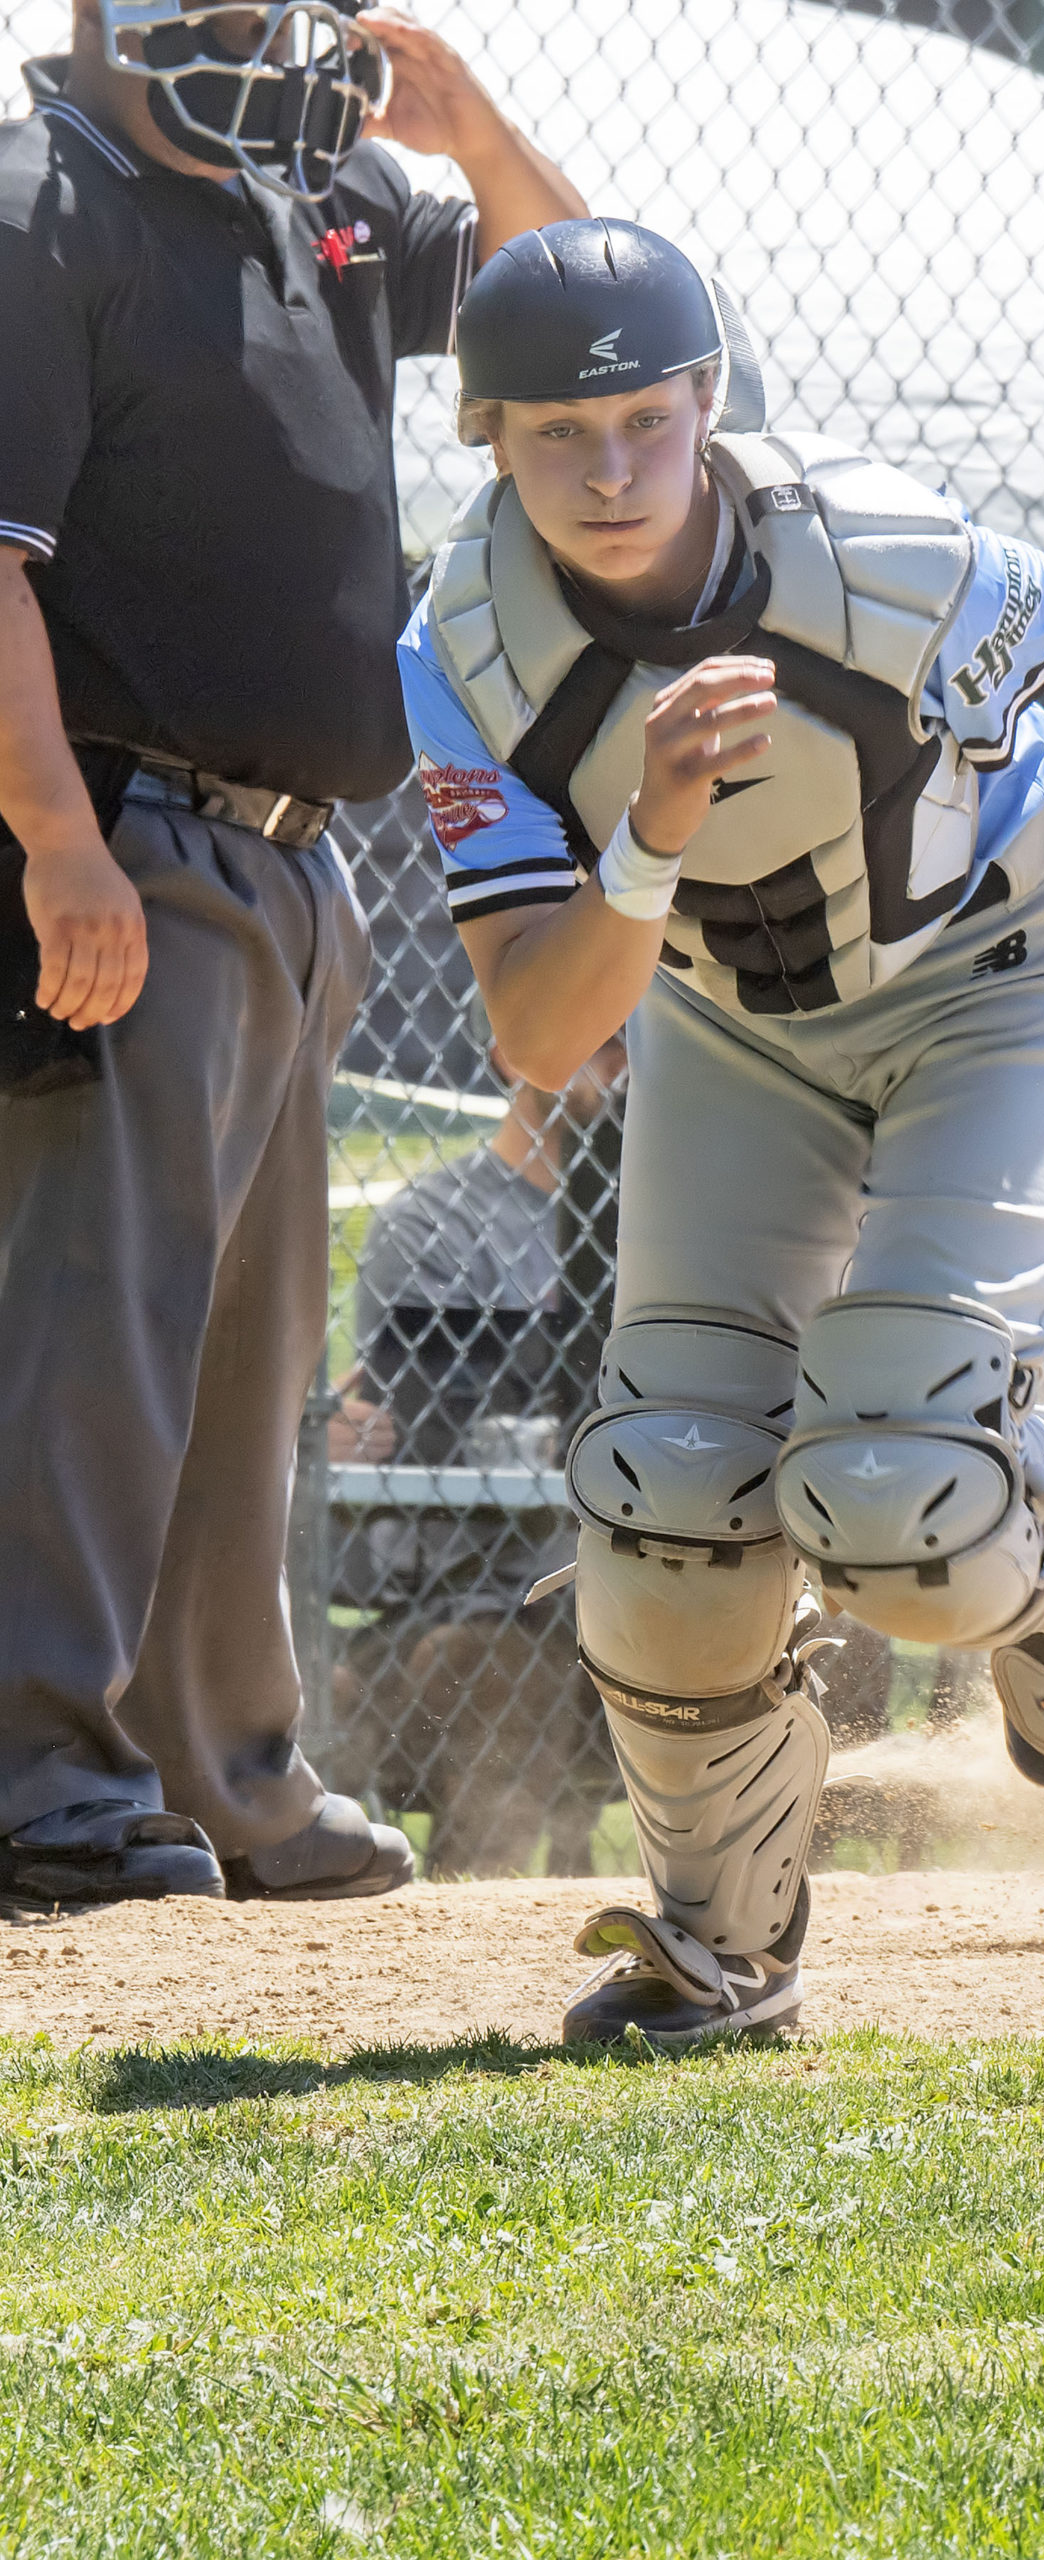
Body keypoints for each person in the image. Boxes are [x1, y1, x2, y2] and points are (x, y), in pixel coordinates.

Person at [399, 218, 1044, 2040]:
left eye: (642, 422)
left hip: (1001, 972)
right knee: (670, 1487)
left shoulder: (880, 557)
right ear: (486, 437)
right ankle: (727, 1941)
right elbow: (542, 1021)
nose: (607, 473)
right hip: (728, 1024)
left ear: (707, 403)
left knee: (903, 1509)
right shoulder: (465, 647)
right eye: (552, 434)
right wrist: (653, 827)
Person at [0, 0, 588, 1909]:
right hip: (125, 845)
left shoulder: (317, 191)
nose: (278, 42)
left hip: (291, 865)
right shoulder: (45, 198)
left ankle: (218, 1771)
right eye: (237, 11)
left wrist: (478, 125)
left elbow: (586, 315)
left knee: (240, 1359)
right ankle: (37, 1781)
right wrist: (55, 842)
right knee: (98, 1337)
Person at [327, 1023, 625, 1875]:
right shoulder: (433, 1225)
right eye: (600, 1036)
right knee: (499, 1654)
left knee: (831, 1631)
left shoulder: (682, 1223)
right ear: (510, 1050)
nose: (627, 1061)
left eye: (643, 1039)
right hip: (484, 1594)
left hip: (652, 1586)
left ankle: (844, 1931)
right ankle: (464, 1965)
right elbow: (426, 1425)